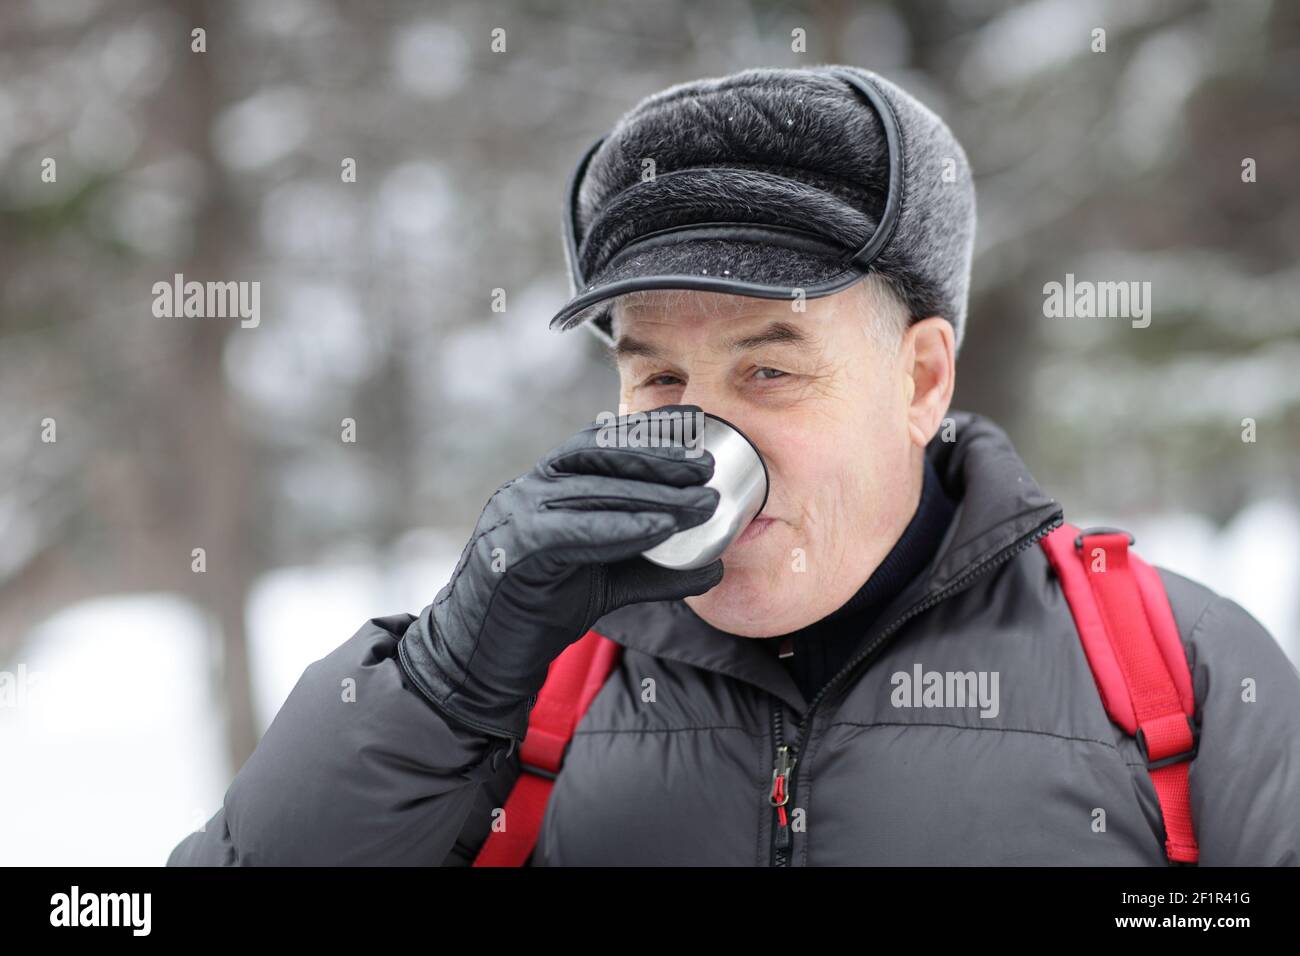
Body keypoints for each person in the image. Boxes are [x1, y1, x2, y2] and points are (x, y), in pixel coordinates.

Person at [168, 65, 1300, 866]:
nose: (703, 440)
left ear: (921, 381)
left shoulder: (1169, 674)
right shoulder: (520, 681)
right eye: (657, 379)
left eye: (768, 372)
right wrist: (440, 685)